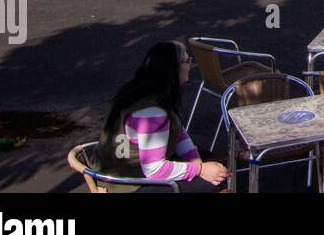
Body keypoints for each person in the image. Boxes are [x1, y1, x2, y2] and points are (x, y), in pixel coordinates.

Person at [95, 41, 227, 192]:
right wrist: (199, 170)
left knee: (217, 166)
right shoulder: (152, 114)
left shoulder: (140, 93)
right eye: (186, 61)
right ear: (172, 69)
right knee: (215, 182)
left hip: (120, 171)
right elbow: (154, 169)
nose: (190, 64)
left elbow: (178, 132)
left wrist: (197, 161)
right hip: (129, 185)